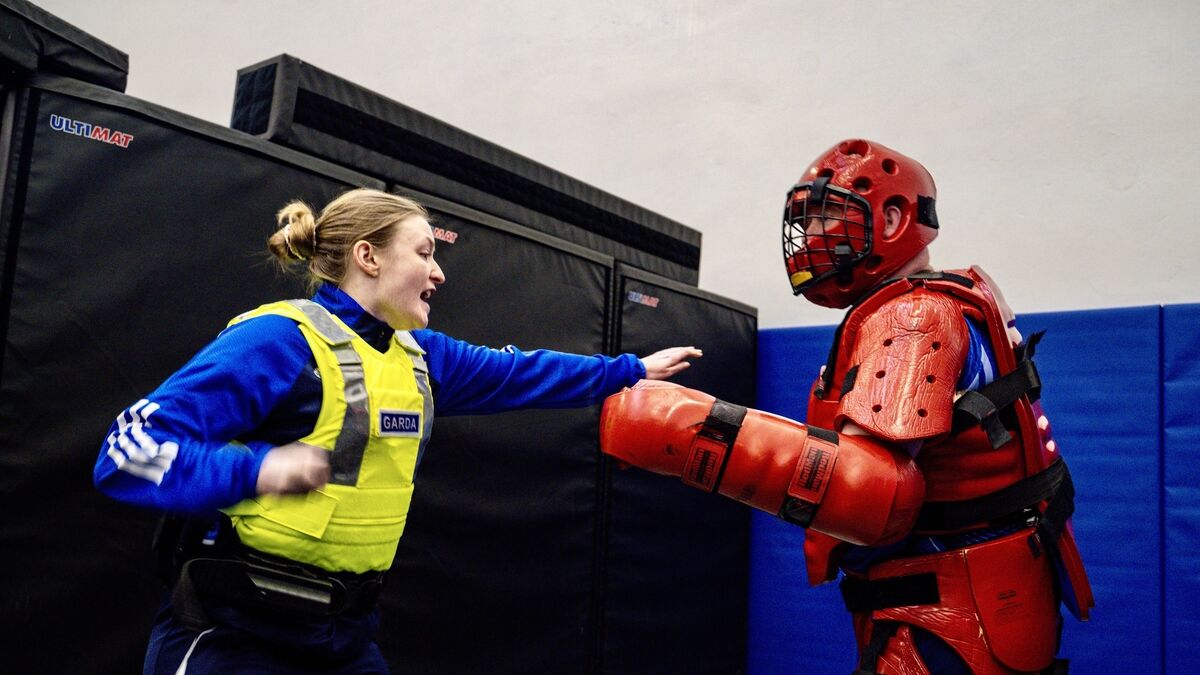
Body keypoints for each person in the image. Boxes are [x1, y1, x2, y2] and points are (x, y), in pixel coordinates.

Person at [94, 188, 701, 674]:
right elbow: (126, 454)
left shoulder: (420, 357)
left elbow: (520, 373)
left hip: (345, 637)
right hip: (238, 636)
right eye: (424, 253)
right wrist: (258, 469)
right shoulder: (277, 340)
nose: (438, 273)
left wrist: (631, 371)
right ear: (368, 256)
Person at [598, 139, 1092, 674]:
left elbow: (874, 493)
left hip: (949, 616)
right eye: (808, 223)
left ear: (895, 217)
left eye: (830, 217)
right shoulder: (938, 301)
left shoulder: (916, 318)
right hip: (972, 596)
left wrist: (686, 434)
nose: (811, 238)